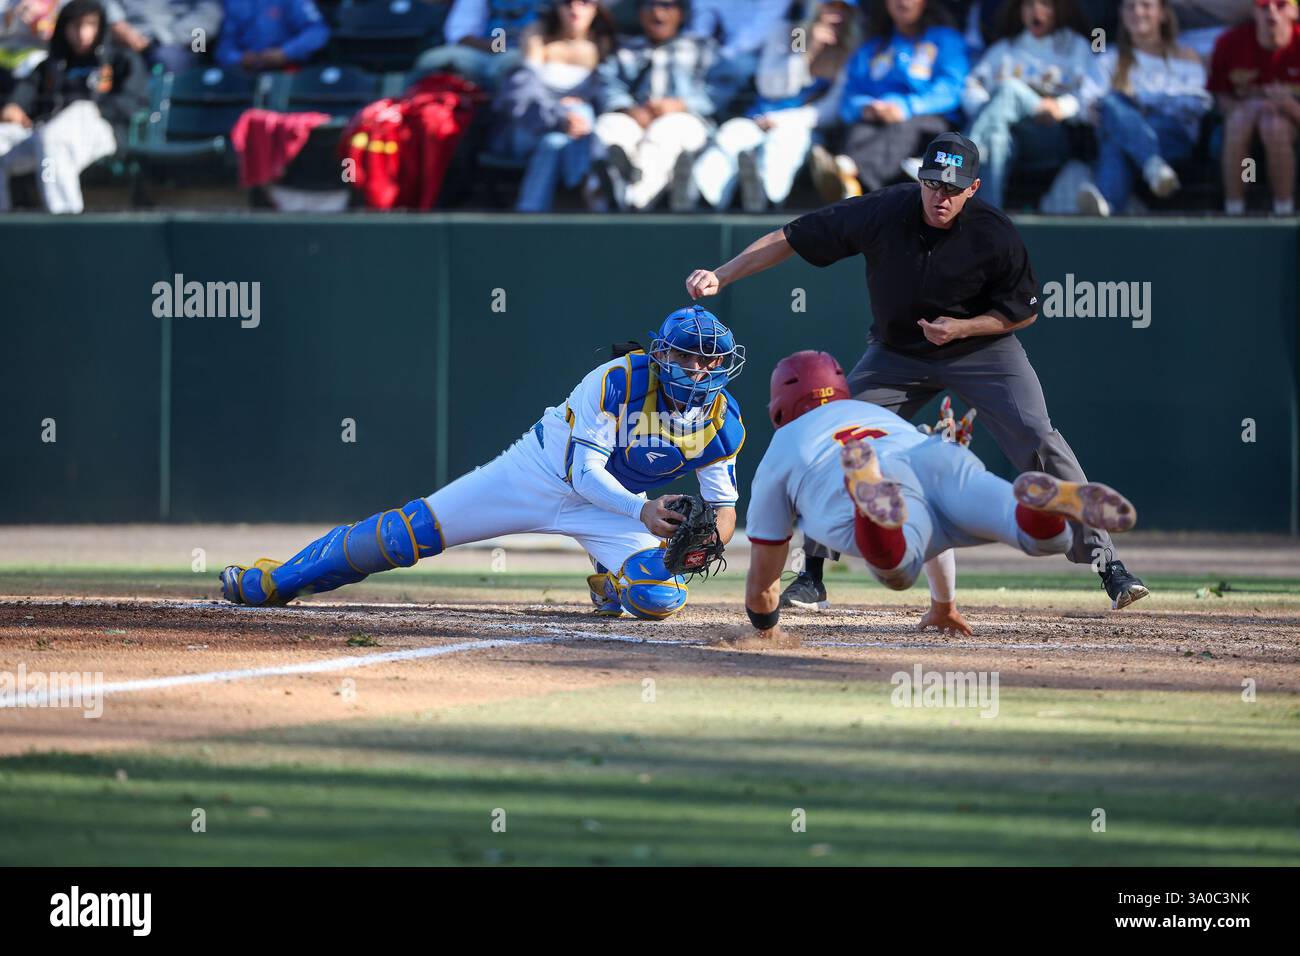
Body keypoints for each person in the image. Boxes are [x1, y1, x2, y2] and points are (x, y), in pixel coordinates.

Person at [685, 131, 1151, 612]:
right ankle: (812, 573)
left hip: (983, 350)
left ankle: (1107, 563)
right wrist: (722, 274)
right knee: (835, 434)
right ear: (919, 179)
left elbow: (1024, 310)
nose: (939, 196)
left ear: (973, 188)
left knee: (1036, 435)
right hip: (897, 355)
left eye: (952, 187)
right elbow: (792, 237)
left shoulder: (993, 231)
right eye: (932, 183)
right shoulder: (885, 210)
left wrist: (963, 327)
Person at [221, 307, 747, 621]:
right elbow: (583, 473)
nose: (698, 369)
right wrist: (642, 513)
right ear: (661, 355)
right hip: (538, 476)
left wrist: (702, 546)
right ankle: (279, 578)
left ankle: (616, 582)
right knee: (405, 537)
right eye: (686, 356)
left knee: (659, 598)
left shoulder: (722, 420)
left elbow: (724, 509)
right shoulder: (620, 379)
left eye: (709, 359)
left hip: (617, 508)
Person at [739, 350, 1138, 648]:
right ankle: (1042, 506)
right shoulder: (872, 414)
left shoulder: (780, 449)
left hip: (864, 488)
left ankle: (873, 512)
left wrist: (765, 627)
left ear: (781, 406)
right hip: (934, 454)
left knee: (896, 568)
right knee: (1044, 537)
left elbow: (763, 581)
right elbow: (939, 541)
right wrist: (943, 606)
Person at [677, 0, 858, 212]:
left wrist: (783, 121)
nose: (835, 14)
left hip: (803, 127)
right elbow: (773, 86)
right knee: (732, 134)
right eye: (829, 6)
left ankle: (765, 197)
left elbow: (831, 109)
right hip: (761, 116)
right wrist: (809, 50)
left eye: (843, 8)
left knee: (786, 141)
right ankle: (700, 196)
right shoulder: (797, 33)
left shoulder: (854, 49)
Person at [0, 0, 149, 213]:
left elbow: (133, 101)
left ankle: (65, 220)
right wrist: (14, 105)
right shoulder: (53, 64)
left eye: (90, 25)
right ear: (64, 28)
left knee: (60, 131)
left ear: (101, 27)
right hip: (46, 130)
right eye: (75, 25)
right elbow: (27, 90)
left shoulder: (120, 59)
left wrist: (96, 109)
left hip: (98, 128)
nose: (82, 33)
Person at [1076, 0, 1211, 216]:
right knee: (1111, 105)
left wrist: (1142, 102)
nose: (1138, 12)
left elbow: (1198, 103)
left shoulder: (1186, 56)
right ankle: (1151, 165)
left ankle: (1108, 201)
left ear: (1162, 13)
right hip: (1126, 137)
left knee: (1117, 136)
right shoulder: (1108, 59)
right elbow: (1085, 103)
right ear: (1121, 13)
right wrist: (1112, 109)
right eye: (1130, 6)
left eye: (1146, 5)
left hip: (1172, 137)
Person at [828, 0, 968, 197]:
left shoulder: (945, 39)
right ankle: (851, 186)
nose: (903, 1)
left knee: (905, 128)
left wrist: (905, 107)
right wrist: (865, 108)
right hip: (879, 122)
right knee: (860, 130)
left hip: (931, 122)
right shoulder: (873, 47)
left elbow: (950, 89)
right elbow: (849, 95)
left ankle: (849, 172)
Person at [960, 0, 1093, 209]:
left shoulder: (1076, 46)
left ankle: (956, 158)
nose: (1036, 11)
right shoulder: (1005, 48)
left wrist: (1062, 107)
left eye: (1045, 4)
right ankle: (988, 217)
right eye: (1029, 5)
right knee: (996, 138)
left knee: (1009, 89)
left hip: (1050, 134)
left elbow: (1091, 94)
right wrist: (993, 108)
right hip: (1009, 137)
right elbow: (971, 88)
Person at [489, 0, 617, 212]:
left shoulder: (605, 48)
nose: (575, 8)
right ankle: (591, 197)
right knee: (577, 115)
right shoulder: (536, 38)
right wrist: (560, 118)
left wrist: (570, 119)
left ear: (596, 8)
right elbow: (519, 100)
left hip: (569, 136)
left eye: (585, 2)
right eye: (567, 2)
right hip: (528, 130)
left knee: (554, 143)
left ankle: (529, 213)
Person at [591, 0, 716, 210]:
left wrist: (681, 104)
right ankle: (618, 184)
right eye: (650, 5)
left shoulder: (702, 48)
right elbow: (607, 84)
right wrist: (628, 109)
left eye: (666, 5)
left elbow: (719, 90)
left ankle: (632, 202)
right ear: (639, 13)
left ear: (681, 13)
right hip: (635, 119)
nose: (657, 12)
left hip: (684, 121)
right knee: (609, 126)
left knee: (666, 132)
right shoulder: (624, 49)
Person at [1207, 0, 1300, 216]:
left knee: (1274, 127)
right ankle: (1236, 211)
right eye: (1264, 6)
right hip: (1243, 142)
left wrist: (1288, 105)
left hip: (1290, 127)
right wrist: (1247, 108)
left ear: (1294, 12)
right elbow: (1221, 98)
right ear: (1254, 12)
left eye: (1281, 5)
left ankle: (1283, 211)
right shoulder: (1230, 43)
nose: (1272, 13)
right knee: (1241, 122)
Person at [685, 0, 794, 112]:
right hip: (716, 53)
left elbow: (764, 24)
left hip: (753, 54)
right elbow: (701, 25)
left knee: (738, 67)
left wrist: (727, 55)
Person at [416, 0, 546, 89]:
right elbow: (461, 34)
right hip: (488, 54)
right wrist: (497, 46)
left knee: (511, 61)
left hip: (541, 53)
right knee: (435, 59)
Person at [103, 0, 224, 75]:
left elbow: (208, 17)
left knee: (170, 58)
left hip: (178, 42)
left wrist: (162, 38)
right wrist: (116, 22)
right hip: (120, 36)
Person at [214, 0, 329, 72]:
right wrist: (240, 58)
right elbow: (224, 48)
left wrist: (285, 52)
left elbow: (317, 31)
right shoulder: (234, 3)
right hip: (246, 74)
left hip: (291, 71)